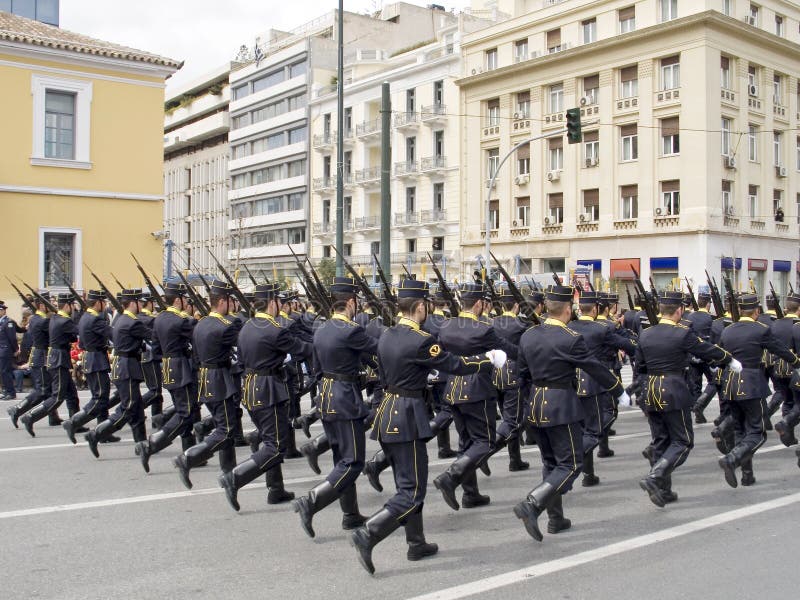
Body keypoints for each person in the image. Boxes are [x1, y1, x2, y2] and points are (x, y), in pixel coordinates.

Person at [350, 279, 503, 574]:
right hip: (407, 416)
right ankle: (369, 533)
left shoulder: (386, 334)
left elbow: (384, 375)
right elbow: (456, 366)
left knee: (405, 484)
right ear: (420, 306)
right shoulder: (421, 340)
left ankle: (416, 542)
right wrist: (488, 359)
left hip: (387, 413)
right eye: (427, 306)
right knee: (412, 490)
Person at [513, 285, 628, 542]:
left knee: (551, 464)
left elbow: (521, 376)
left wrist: (528, 403)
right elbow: (594, 367)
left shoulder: (529, 335)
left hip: (535, 404)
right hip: (560, 407)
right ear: (567, 309)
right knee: (571, 464)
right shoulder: (570, 338)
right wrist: (618, 390)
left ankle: (556, 519)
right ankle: (532, 504)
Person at [292, 276, 378, 539]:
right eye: (356, 301)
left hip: (327, 396)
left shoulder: (322, 329)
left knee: (341, 459)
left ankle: (350, 514)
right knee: (353, 462)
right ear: (350, 302)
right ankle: (311, 502)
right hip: (345, 399)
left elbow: (317, 368)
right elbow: (377, 353)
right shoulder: (351, 330)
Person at [635, 290, 735, 506]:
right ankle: (655, 477)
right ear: (680, 310)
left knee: (661, 440)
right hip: (673, 389)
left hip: (651, 389)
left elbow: (640, 366)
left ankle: (664, 490)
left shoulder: (646, 333)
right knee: (683, 441)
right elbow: (705, 349)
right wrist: (728, 358)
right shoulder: (682, 333)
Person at [219, 282, 313, 511]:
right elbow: (303, 349)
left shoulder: (247, 327)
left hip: (251, 387)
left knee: (270, 439)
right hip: (269, 390)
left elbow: (241, 361)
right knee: (276, 445)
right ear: (272, 303)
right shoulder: (275, 330)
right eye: (279, 302)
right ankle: (235, 478)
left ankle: (276, 488)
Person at [432, 282, 517, 511]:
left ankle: (471, 494)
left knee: (466, 443)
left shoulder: (446, 326)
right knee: (484, 442)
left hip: (453, 389)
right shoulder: (483, 329)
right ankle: (450, 477)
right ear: (479, 304)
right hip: (477, 390)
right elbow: (508, 349)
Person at [718, 293, 800, 487]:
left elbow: (720, 359)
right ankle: (732, 459)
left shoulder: (727, 331)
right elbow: (780, 349)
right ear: (756, 311)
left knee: (740, 430)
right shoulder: (761, 330)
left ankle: (747, 475)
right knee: (757, 432)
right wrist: (796, 362)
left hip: (730, 385)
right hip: (751, 384)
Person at [173, 280, 243, 489]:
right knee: (226, 429)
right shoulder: (225, 327)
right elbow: (243, 342)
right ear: (222, 301)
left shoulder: (200, 324)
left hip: (205, 377)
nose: (232, 305)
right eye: (229, 301)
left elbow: (195, 356)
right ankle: (188, 458)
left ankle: (229, 471)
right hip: (220, 379)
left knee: (224, 425)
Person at [136, 282, 199, 472]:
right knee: (186, 412)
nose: (186, 301)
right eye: (185, 298)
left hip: (167, 367)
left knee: (185, 409)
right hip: (181, 367)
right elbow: (196, 337)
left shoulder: (160, 319)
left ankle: (190, 453)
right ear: (178, 300)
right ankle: (151, 445)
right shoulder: (181, 321)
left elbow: (156, 349)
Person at [85, 289, 150, 456]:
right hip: (127, 368)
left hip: (123, 366)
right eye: (140, 302)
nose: (142, 305)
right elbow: (153, 335)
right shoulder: (133, 323)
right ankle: (96, 434)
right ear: (133, 303)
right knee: (129, 408)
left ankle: (142, 443)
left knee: (136, 408)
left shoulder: (122, 319)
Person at [20, 293, 80, 436]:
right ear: (67, 306)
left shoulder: (54, 319)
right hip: (59, 359)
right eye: (72, 305)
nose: (73, 308)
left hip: (57, 358)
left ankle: (76, 423)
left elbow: (72, 336)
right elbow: (77, 333)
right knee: (57, 396)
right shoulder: (62, 321)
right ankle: (31, 416)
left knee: (72, 394)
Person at [62, 291, 114, 443]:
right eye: (103, 302)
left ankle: (103, 431)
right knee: (100, 398)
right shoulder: (95, 319)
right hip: (97, 360)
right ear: (98, 303)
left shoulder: (85, 317)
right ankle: (73, 422)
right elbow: (112, 333)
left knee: (101, 397)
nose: (105, 305)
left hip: (91, 359)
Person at [7, 293, 55, 428]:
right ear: (42, 305)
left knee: (49, 388)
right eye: (48, 303)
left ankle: (53, 416)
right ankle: (17, 409)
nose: (51, 306)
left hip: (39, 356)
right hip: (41, 357)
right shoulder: (43, 321)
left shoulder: (35, 318)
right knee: (43, 390)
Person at [0, 300, 21, 399]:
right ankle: (6, 391)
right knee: (2, 372)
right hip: (2, 350)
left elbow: (12, 338)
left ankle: (11, 393)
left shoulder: (8, 322)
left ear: (3, 311)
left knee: (6, 371)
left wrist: (16, 349)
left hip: (6, 351)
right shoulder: (1, 322)